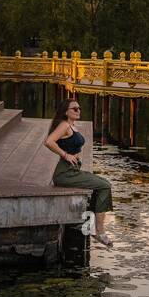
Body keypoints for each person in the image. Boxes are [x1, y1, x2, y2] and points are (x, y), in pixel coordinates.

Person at [45, 98, 114, 246]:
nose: (78, 111)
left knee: (102, 185)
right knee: (104, 186)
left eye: (79, 108)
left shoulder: (71, 125)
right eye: (74, 109)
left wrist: (73, 155)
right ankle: (99, 232)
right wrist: (65, 155)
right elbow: (49, 141)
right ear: (66, 112)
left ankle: (93, 227)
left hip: (73, 170)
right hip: (65, 173)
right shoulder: (64, 125)